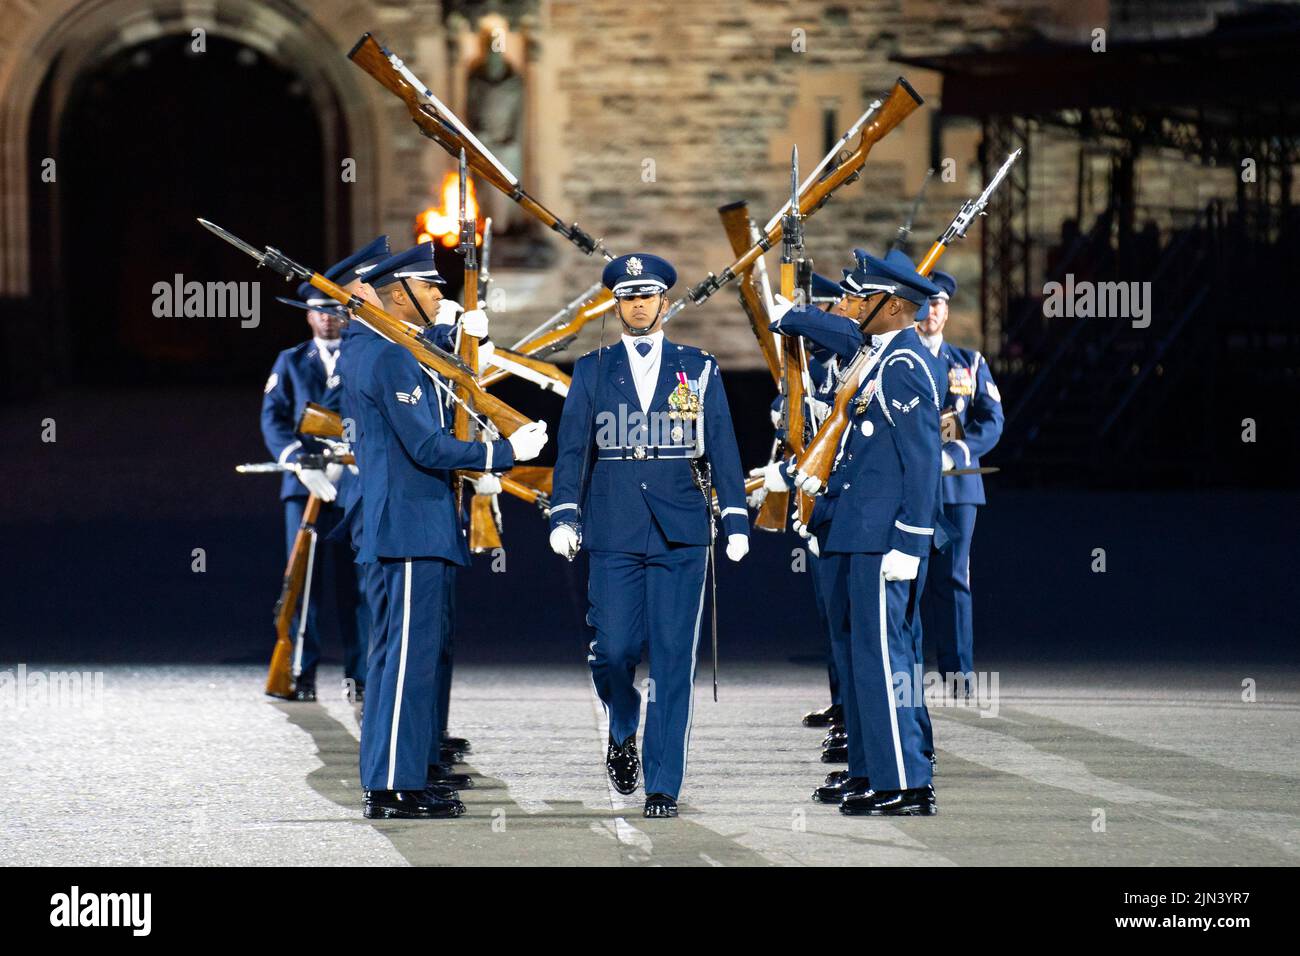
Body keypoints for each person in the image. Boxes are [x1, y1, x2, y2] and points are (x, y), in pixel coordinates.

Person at [344, 242, 548, 819]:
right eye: (430, 288)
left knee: (402, 658)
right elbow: (427, 444)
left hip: (409, 525)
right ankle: (391, 786)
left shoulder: (388, 349)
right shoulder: (388, 358)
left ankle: (402, 776)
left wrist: (455, 340)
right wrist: (501, 452)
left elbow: (426, 372)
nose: (440, 295)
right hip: (409, 526)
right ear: (400, 293)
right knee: (405, 660)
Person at [547, 253, 749, 819]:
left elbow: (723, 445)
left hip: (681, 529)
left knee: (673, 660)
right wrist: (565, 513)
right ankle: (621, 723)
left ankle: (663, 783)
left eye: (647, 295)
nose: (637, 305)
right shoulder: (592, 368)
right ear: (617, 303)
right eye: (627, 297)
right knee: (613, 651)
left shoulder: (698, 366)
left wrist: (734, 517)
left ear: (665, 302)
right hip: (613, 526)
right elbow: (572, 450)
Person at [784, 249, 946, 816]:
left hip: (884, 539)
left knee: (885, 660)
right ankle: (870, 770)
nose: (850, 305)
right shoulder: (877, 360)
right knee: (858, 658)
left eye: (861, 297)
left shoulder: (904, 365)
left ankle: (905, 781)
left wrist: (909, 540)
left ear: (894, 306)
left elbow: (922, 463)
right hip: (854, 531)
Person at [259, 236, 389, 701]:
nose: (327, 319)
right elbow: (273, 418)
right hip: (307, 486)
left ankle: (361, 675)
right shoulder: (292, 362)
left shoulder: (362, 359)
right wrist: (296, 460)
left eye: (335, 311)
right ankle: (300, 671)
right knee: (302, 584)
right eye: (319, 311)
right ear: (308, 315)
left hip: (354, 484)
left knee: (359, 585)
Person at [915, 270, 1004, 687]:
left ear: (947, 311)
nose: (931, 310)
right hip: (911, 488)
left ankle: (958, 673)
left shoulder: (968, 362)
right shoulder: (902, 358)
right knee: (908, 580)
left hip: (956, 485)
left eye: (938, 303)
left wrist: (957, 453)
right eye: (925, 302)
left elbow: (992, 419)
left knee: (953, 577)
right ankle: (906, 673)